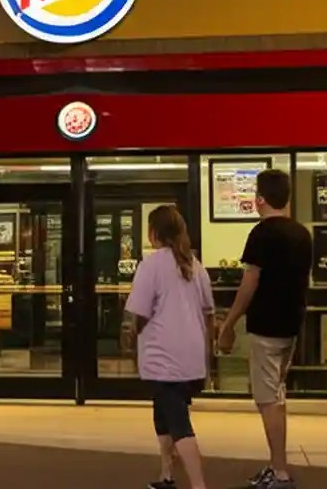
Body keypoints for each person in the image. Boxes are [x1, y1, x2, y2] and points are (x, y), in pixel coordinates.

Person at [217, 169, 312, 489]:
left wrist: (228, 323)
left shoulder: (261, 234)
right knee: (277, 395)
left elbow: (249, 285)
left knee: (267, 399)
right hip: (291, 325)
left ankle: (280, 472)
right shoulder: (302, 234)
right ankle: (275, 466)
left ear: (259, 199)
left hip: (266, 327)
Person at [125, 204, 216, 489]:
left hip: (163, 356)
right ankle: (166, 476)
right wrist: (208, 355)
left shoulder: (151, 265)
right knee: (163, 413)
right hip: (190, 357)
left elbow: (139, 313)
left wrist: (130, 336)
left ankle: (198, 484)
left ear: (153, 233)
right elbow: (209, 313)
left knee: (178, 423)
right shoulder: (195, 266)